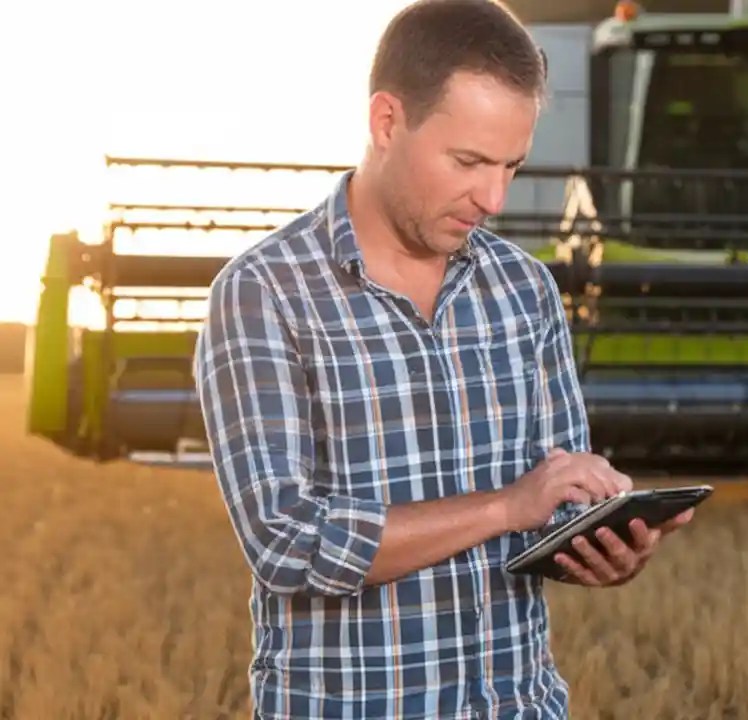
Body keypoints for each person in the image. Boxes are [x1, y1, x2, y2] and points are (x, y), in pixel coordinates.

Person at [193, 1, 695, 717]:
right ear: (386, 122)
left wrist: (603, 544)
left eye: (511, 165)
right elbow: (288, 542)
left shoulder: (525, 289)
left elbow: (552, 506)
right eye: (469, 162)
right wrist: (504, 506)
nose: (493, 197)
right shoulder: (263, 293)